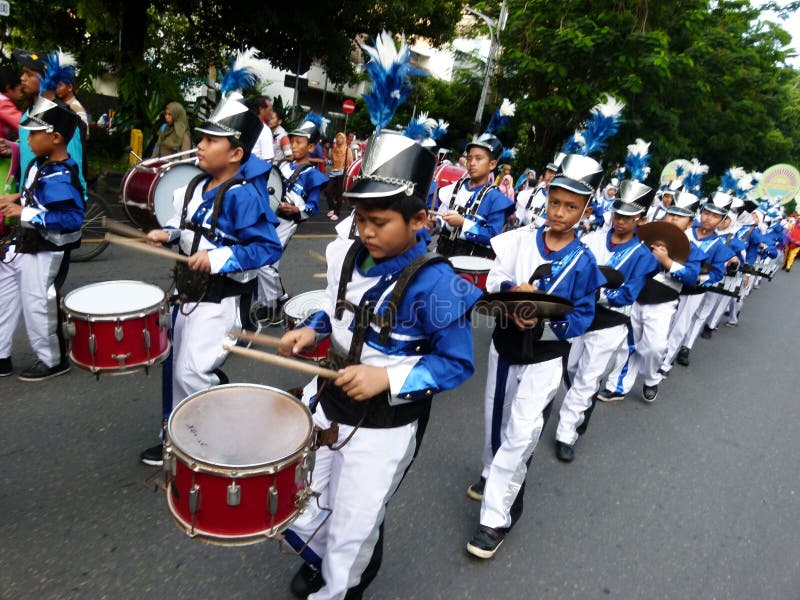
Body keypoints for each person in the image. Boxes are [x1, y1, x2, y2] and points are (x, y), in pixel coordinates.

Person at [279, 129, 482, 599]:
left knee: (355, 520)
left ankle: (341, 587)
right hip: (330, 402)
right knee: (309, 497)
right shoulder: (349, 254)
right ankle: (320, 561)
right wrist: (313, 329)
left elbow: (455, 365)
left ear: (420, 220)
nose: (366, 231)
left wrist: (386, 377)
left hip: (384, 425)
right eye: (361, 217)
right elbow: (335, 312)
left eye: (380, 220)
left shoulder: (439, 283)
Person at [465, 154, 606, 559]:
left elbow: (582, 314)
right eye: (555, 202)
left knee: (522, 431)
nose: (560, 212)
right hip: (506, 343)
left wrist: (544, 321)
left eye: (571, 206)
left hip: (545, 355)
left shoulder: (583, 261)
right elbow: (492, 279)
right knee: (496, 415)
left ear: (585, 210)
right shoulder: (519, 239)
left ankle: (495, 518)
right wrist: (513, 291)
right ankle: (492, 473)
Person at [140, 88, 283, 465]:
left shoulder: (243, 195)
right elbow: (188, 226)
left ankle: (215, 440)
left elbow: (267, 249)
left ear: (236, 153)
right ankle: (177, 436)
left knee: (192, 372)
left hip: (222, 299)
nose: (199, 146)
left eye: (209, 140)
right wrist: (169, 234)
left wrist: (218, 257)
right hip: (188, 294)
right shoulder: (195, 185)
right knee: (176, 368)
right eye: (200, 138)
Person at [554, 179, 659, 462]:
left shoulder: (644, 256)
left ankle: (567, 431)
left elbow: (627, 294)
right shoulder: (590, 239)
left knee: (588, 377)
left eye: (628, 217)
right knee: (571, 369)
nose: (620, 220)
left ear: (641, 219)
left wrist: (593, 289)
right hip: (578, 315)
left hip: (610, 321)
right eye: (618, 214)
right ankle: (581, 408)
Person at [0, 96, 84, 380]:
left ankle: (53, 360)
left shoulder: (62, 174)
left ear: (56, 137)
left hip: (48, 250)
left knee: (38, 303)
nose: (29, 138)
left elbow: (72, 219)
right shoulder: (40, 163)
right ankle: (1, 355)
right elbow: (36, 194)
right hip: (26, 244)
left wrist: (23, 212)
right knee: (7, 296)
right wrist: (17, 197)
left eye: (34, 133)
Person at [599, 190, 707, 403]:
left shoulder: (692, 249)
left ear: (690, 222)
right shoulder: (644, 237)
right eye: (671, 213)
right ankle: (617, 385)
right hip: (634, 298)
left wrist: (667, 261)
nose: (674, 218)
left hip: (662, 304)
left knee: (654, 347)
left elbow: (692, 276)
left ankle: (651, 378)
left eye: (681, 215)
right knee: (628, 344)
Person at [254, 114, 328, 324]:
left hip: (286, 224)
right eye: (292, 141)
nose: (293, 146)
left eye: (299, 142)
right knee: (263, 262)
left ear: (311, 147)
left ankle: (275, 305)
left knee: (267, 265)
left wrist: (296, 209)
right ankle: (274, 301)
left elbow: (312, 207)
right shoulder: (284, 166)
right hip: (269, 219)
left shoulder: (311, 174)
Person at [658, 191, 735, 373]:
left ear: (723, 220)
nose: (708, 219)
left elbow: (717, 273)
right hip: (668, 280)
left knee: (679, 326)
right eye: (707, 213)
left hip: (693, 290)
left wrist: (702, 278)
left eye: (715, 216)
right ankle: (651, 355)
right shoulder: (684, 230)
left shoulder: (719, 244)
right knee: (661, 322)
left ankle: (664, 363)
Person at [429, 132, 515, 258]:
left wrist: (463, 223)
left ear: (492, 164)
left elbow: (493, 237)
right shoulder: (454, 187)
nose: (472, 163)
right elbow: (443, 217)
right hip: (441, 255)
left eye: (478, 159)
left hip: (471, 268)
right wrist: (435, 223)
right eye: (469, 158)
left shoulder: (497, 199)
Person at [14, 49, 86, 195]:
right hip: (29, 200)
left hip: (53, 205)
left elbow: (72, 168)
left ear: (48, 78)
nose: (22, 78)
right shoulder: (27, 115)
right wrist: (13, 148)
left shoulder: (63, 119)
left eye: (29, 74)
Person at [325, 131, 353, 221]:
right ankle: (332, 208)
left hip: (342, 174)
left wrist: (348, 174)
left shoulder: (347, 150)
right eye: (337, 137)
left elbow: (350, 163)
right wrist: (325, 161)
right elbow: (332, 162)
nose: (339, 139)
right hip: (333, 173)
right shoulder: (334, 150)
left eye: (341, 138)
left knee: (339, 194)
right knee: (327, 191)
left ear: (344, 139)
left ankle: (337, 213)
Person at [0, 66, 23, 140]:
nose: (22, 93)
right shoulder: (3, 105)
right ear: (8, 88)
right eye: (20, 90)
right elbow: (22, 124)